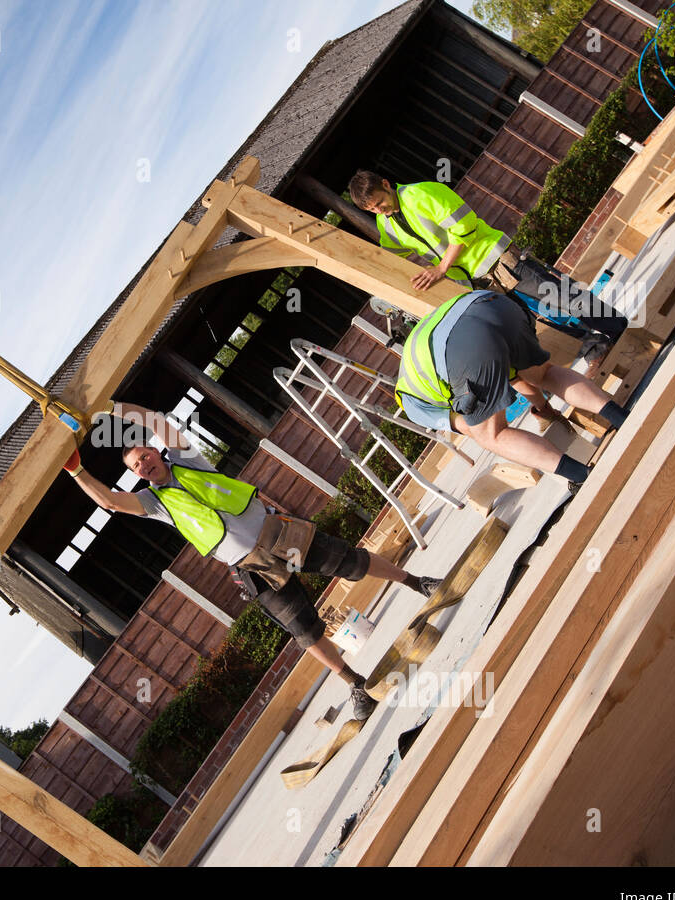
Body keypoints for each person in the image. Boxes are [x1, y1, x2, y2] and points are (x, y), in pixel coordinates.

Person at [64, 402, 441, 723]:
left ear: (155, 452)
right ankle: (356, 685)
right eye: (136, 467)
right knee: (303, 629)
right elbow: (110, 502)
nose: (143, 465)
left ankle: (418, 582)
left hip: (278, 534)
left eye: (144, 456)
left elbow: (160, 423)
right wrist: (76, 471)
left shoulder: (187, 459)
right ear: (136, 476)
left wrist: (114, 408)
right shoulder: (153, 503)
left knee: (351, 562)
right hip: (252, 566)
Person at [347, 171, 627, 354]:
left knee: (560, 295)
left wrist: (442, 268)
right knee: (539, 318)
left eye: (380, 203)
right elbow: (390, 256)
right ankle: (598, 345)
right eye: (372, 210)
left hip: (497, 259)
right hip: (477, 279)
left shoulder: (422, 194)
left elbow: (464, 227)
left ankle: (619, 329)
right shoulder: (387, 224)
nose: (379, 211)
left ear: (386, 184)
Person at [394, 289, 629, 486]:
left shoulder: (413, 406)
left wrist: (495, 428)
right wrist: (542, 406)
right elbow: (514, 375)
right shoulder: (417, 360)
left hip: (462, 349)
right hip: (490, 303)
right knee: (543, 373)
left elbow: (471, 427)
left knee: (491, 435)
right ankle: (622, 418)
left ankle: (580, 476)